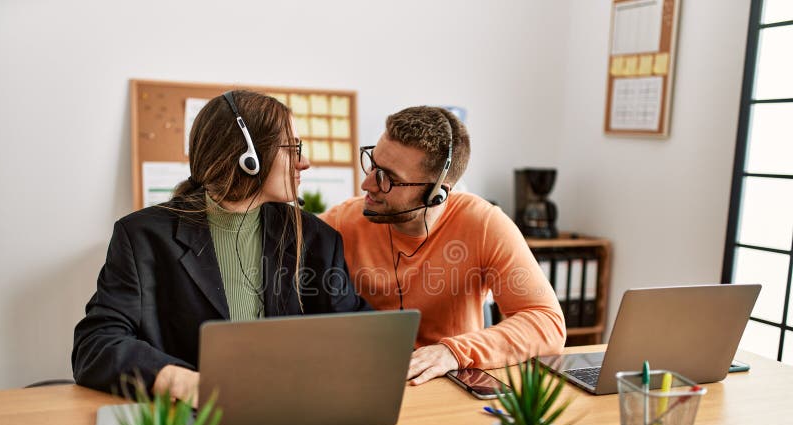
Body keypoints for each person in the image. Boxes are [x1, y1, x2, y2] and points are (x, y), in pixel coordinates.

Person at [73, 90, 370, 405]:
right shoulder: (142, 237)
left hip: (291, 413)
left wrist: (427, 351)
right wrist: (176, 379)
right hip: (193, 424)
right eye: (292, 148)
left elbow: (358, 334)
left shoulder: (316, 239)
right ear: (248, 158)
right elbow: (97, 343)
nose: (304, 162)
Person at [320, 106, 566, 385]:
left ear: (437, 194)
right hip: (369, 379)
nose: (367, 184)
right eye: (372, 164)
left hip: (451, 382)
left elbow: (547, 323)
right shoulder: (343, 221)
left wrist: (454, 351)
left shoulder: (483, 224)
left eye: (389, 178)